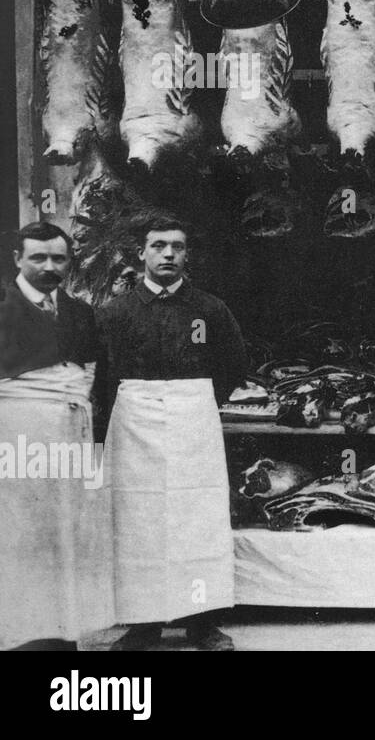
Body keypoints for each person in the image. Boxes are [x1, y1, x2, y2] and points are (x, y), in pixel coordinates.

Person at [97, 215, 248, 651]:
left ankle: (202, 623)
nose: (168, 254)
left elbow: (234, 363)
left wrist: (195, 398)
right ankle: (144, 624)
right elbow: (102, 372)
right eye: (159, 246)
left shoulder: (209, 309)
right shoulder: (116, 311)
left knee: (197, 519)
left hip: (193, 419)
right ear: (140, 254)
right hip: (134, 420)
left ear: (187, 255)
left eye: (177, 247)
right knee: (139, 520)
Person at [0, 222, 114, 651]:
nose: (50, 267)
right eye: (38, 258)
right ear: (17, 258)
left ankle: (63, 630)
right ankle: (19, 633)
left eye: (59, 259)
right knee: (17, 533)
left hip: (71, 433)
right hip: (13, 436)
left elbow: (98, 384)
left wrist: (96, 456)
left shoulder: (81, 312)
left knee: (68, 531)